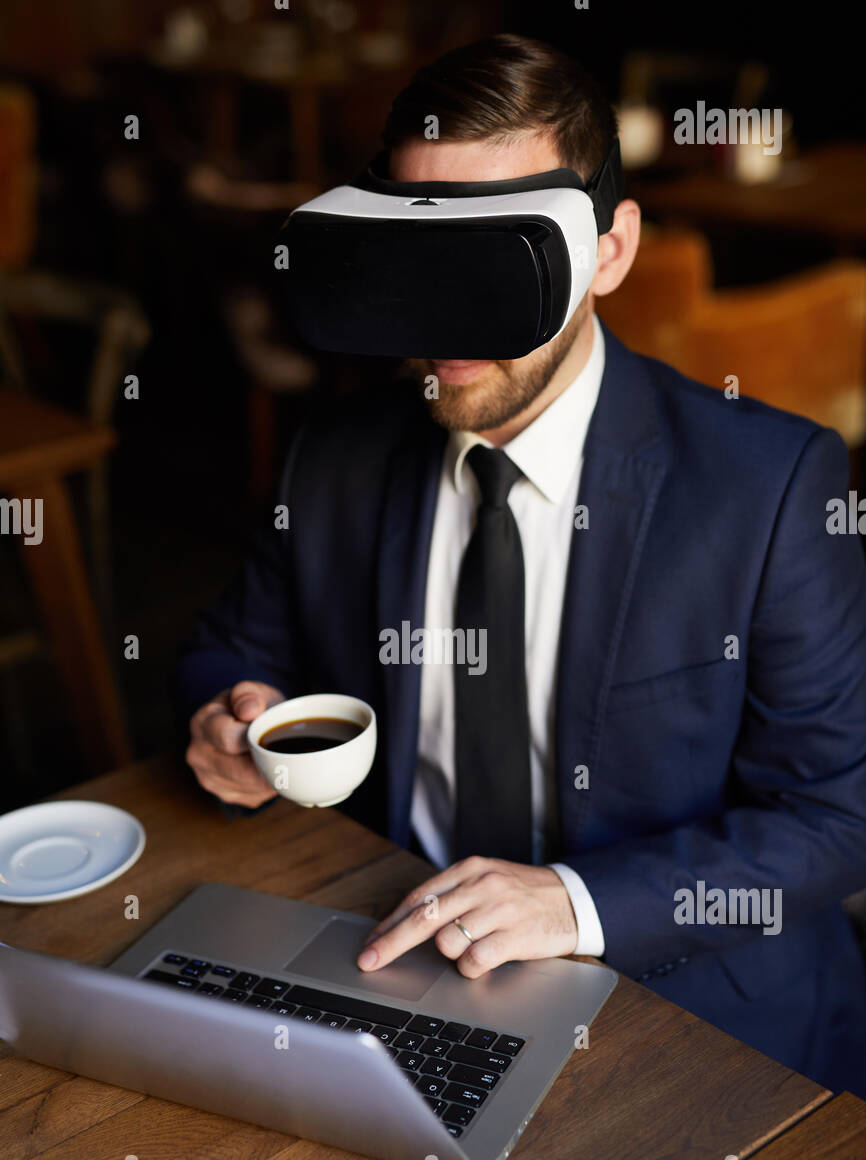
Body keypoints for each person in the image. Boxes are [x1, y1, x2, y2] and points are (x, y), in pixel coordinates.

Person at [177, 34, 866, 1097]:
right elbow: (232, 648)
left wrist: (576, 903)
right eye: (419, 252)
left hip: (688, 1015)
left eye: (493, 258)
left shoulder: (766, 487)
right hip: (390, 961)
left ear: (608, 251)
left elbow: (835, 816)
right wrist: (227, 719)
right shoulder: (337, 456)